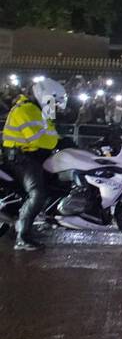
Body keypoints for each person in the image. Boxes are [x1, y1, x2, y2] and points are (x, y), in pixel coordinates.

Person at [2, 78, 66, 250]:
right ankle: (23, 237)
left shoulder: (38, 111)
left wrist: (63, 141)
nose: (54, 107)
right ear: (45, 96)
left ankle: (46, 216)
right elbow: (39, 138)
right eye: (53, 101)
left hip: (34, 156)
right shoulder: (26, 110)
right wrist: (59, 143)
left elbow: (50, 133)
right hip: (21, 158)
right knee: (38, 192)